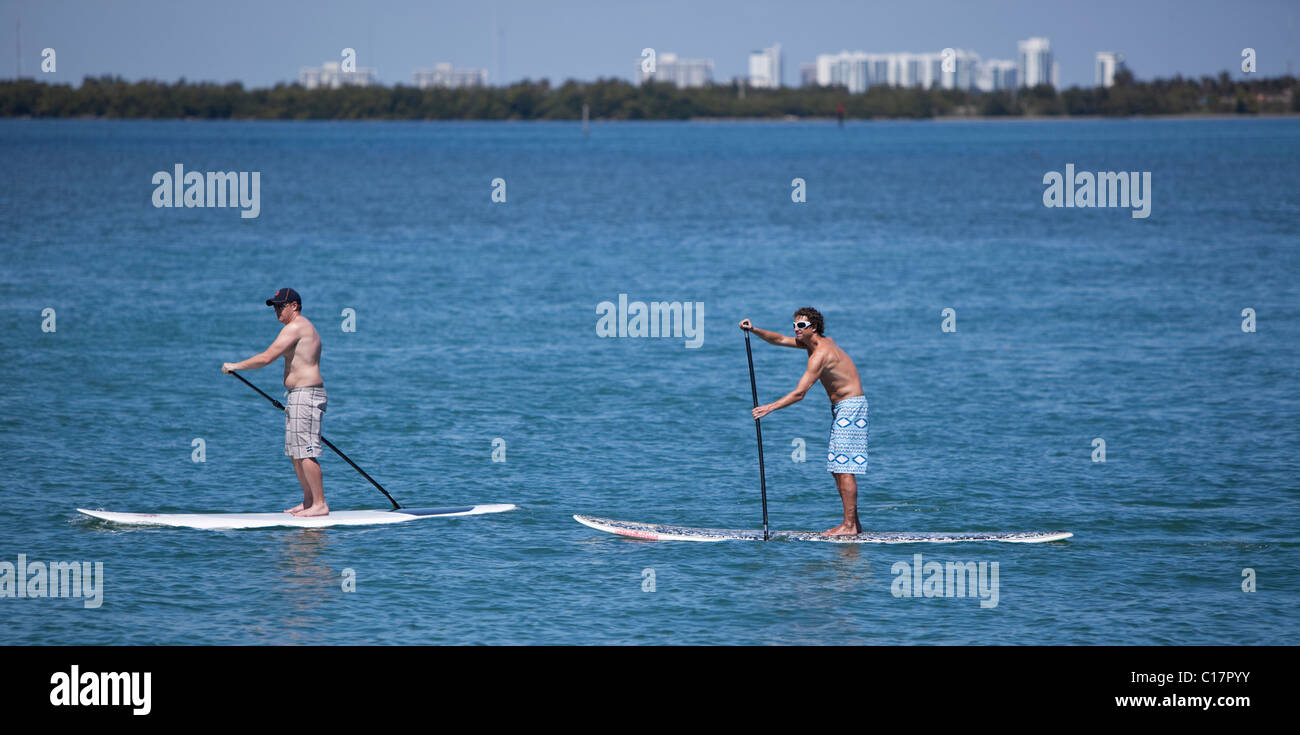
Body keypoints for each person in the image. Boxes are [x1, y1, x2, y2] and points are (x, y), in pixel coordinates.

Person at [739, 308, 867, 536]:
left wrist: (768, 408)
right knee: (837, 468)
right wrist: (754, 329)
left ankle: (849, 527)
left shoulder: (821, 354)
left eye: (801, 326)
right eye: (795, 325)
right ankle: (853, 524)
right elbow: (778, 339)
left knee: (844, 468)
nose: (796, 330)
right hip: (843, 408)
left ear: (813, 328)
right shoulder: (816, 344)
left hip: (851, 408)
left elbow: (800, 393)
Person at [222, 288, 329, 517]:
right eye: (275, 306)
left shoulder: (297, 326)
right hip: (297, 396)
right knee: (295, 451)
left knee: (305, 450)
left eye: (281, 305)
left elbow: (267, 357)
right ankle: (309, 501)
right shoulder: (294, 328)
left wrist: (235, 366)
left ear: (295, 306)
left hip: (307, 394)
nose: (277, 310)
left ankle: (320, 504)